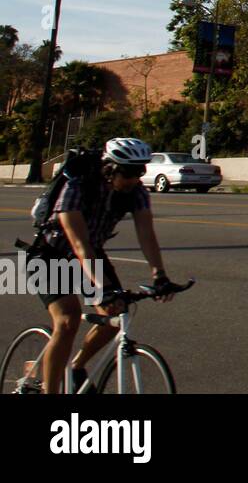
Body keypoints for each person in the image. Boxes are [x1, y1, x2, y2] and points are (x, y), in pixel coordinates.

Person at [34, 137, 174, 394]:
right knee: (67, 320)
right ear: (110, 168)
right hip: (51, 254)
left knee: (116, 316)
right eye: (129, 172)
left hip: (89, 255)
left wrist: (160, 275)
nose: (135, 178)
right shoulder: (77, 186)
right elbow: (78, 244)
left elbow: (146, 233)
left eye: (140, 171)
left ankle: (76, 366)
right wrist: (104, 287)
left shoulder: (135, 192)